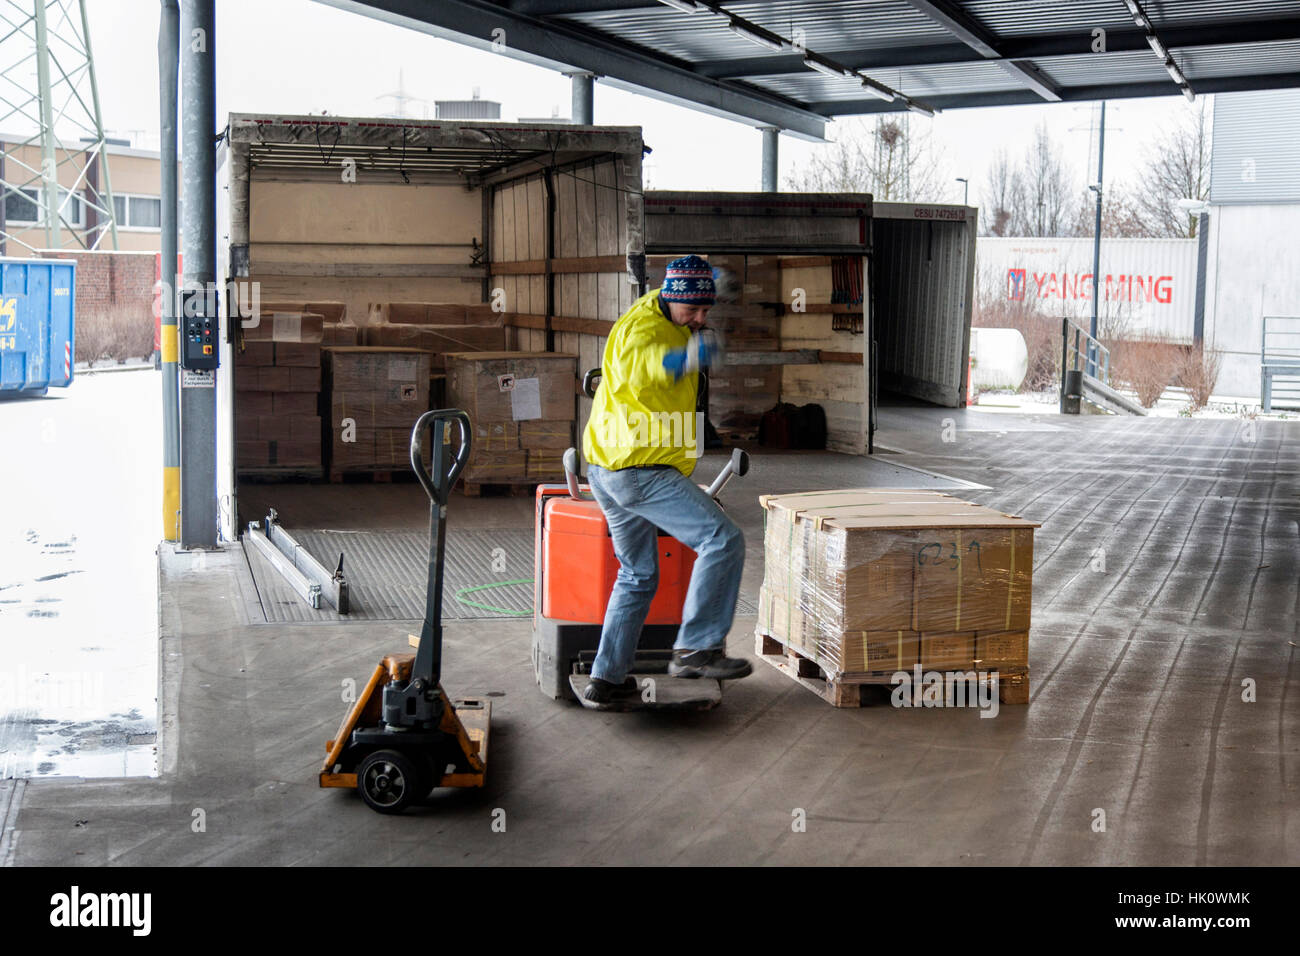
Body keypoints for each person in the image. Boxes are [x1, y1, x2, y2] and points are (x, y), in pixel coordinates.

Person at [579, 254, 751, 704]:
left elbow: (686, 290)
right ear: (672, 301)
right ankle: (696, 649)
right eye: (691, 311)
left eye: (705, 310)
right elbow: (646, 368)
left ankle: (607, 679)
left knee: (637, 575)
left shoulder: (662, 300)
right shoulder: (645, 333)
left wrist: (712, 279)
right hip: (639, 470)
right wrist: (687, 357)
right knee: (723, 540)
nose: (699, 319)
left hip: (608, 467)